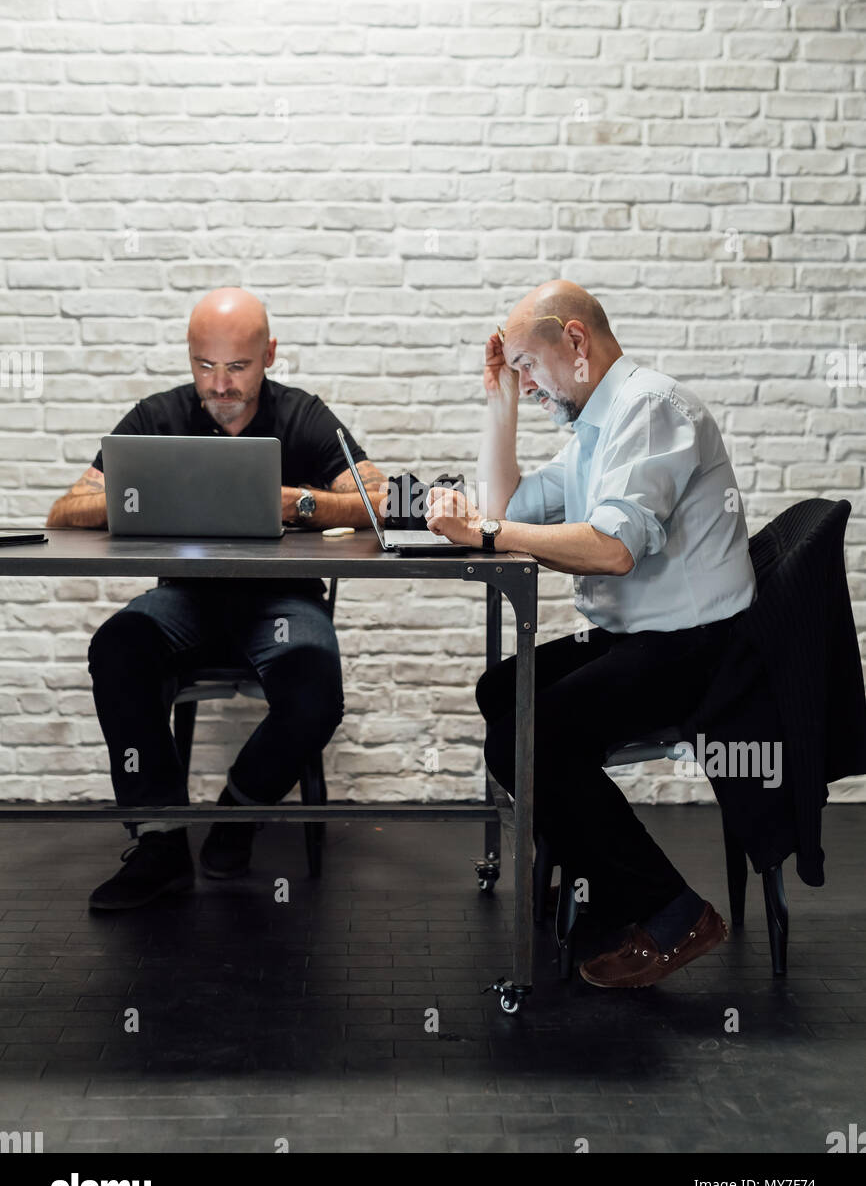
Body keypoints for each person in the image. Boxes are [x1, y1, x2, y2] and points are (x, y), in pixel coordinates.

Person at [425, 279, 756, 989]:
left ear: (574, 341)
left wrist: (483, 530)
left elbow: (613, 548)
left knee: (529, 733)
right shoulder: (594, 428)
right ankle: (586, 867)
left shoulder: (653, 408)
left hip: (696, 648)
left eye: (529, 366)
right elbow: (506, 505)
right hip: (636, 635)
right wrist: (502, 402)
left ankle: (673, 913)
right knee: (500, 691)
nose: (530, 383)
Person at [46, 287, 388, 911]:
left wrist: (299, 502)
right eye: (205, 364)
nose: (221, 384)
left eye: (238, 366)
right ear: (189, 356)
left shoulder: (302, 416)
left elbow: (379, 500)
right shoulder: (156, 417)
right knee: (119, 649)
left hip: (280, 603)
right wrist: (143, 497)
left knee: (315, 694)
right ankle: (159, 844)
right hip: (187, 601)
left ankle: (237, 813)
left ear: (270, 356)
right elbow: (65, 511)